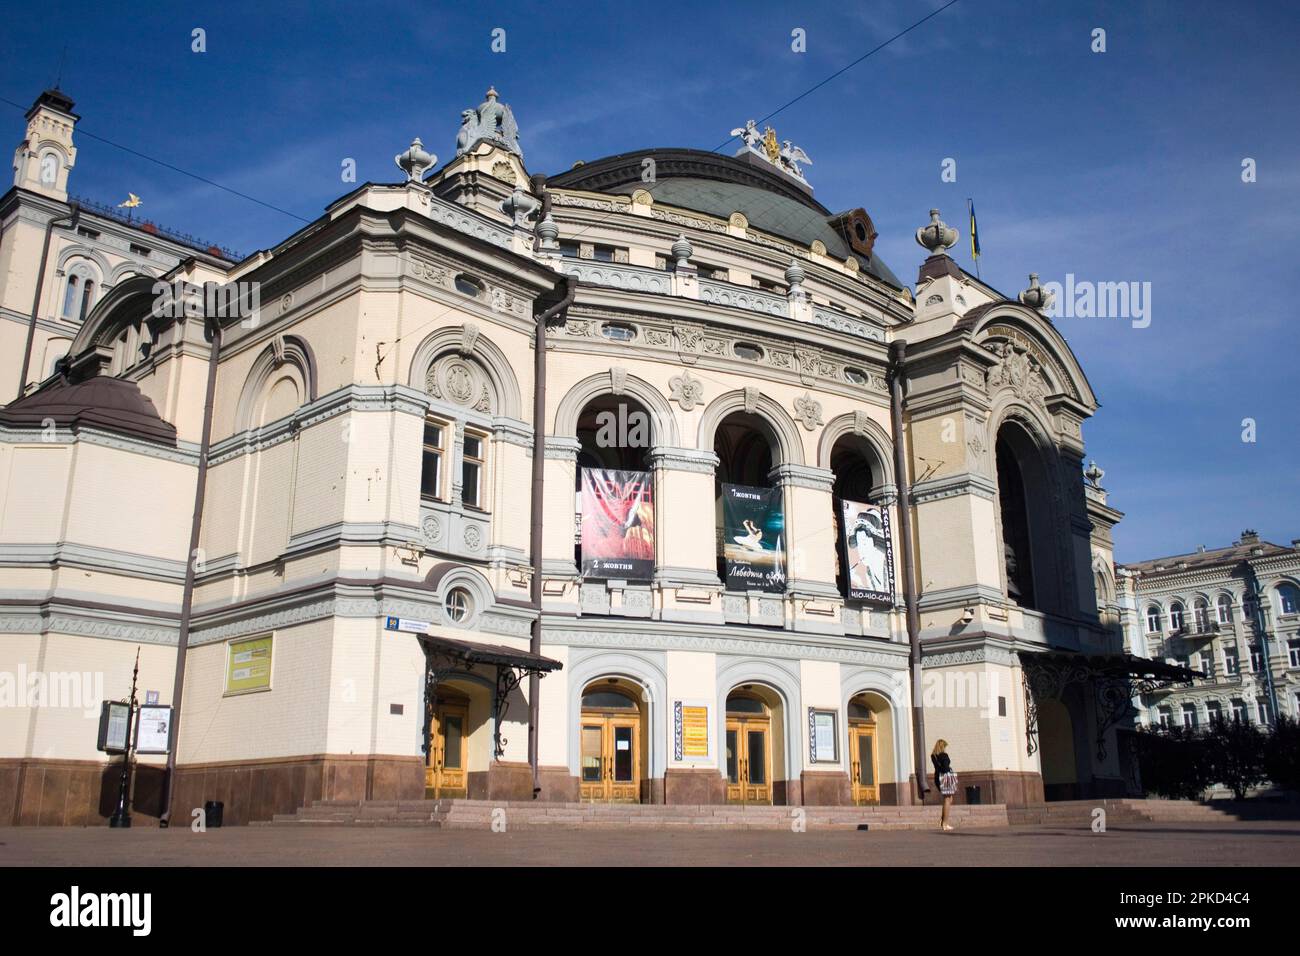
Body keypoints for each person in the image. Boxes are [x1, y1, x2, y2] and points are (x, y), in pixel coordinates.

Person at [931, 739, 957, 831]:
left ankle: (942, 820)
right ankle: (945, 824)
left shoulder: (933, 756)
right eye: (945, 746)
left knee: (949, 798)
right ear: (942, 747)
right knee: (947, 799)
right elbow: (945, 768)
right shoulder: (944, 755)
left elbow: (937, 767)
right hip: (945, 778)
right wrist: (948, 768)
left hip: (937, 778)